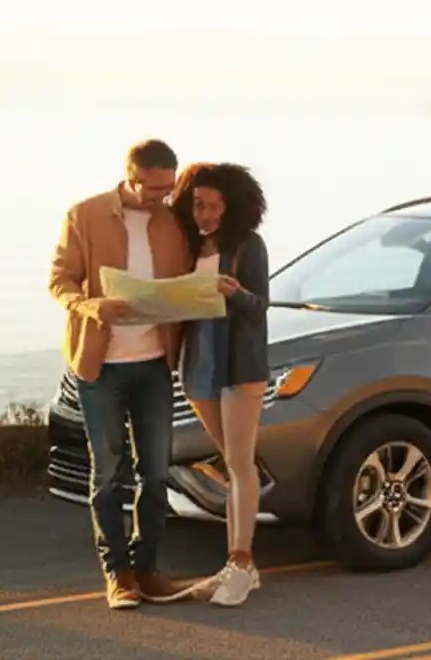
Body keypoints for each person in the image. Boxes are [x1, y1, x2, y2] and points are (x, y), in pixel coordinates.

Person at [47, 139, 193, 610]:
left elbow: (190, 279)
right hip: (101, 366)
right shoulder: (84, 216)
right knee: (107, 473)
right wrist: (92, 305)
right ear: (131, 178)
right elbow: (59, 281)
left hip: (154, 365)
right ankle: (119, 574)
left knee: (156, 473)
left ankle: (148, 568)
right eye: (154, 189)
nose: (163, 197)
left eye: (169, 188)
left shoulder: (173, 221)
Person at [170, 162, 270, 607]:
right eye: (198, 204)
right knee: (230, 463)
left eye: (214, 206)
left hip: (240, 368)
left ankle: (242, 561)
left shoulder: (249, 246)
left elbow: (260, 305)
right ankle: (236, 567)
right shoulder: (187, 245)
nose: (206, 214)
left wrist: (234, 293)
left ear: (231, 207)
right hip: (199, 369)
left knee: (240, 463)